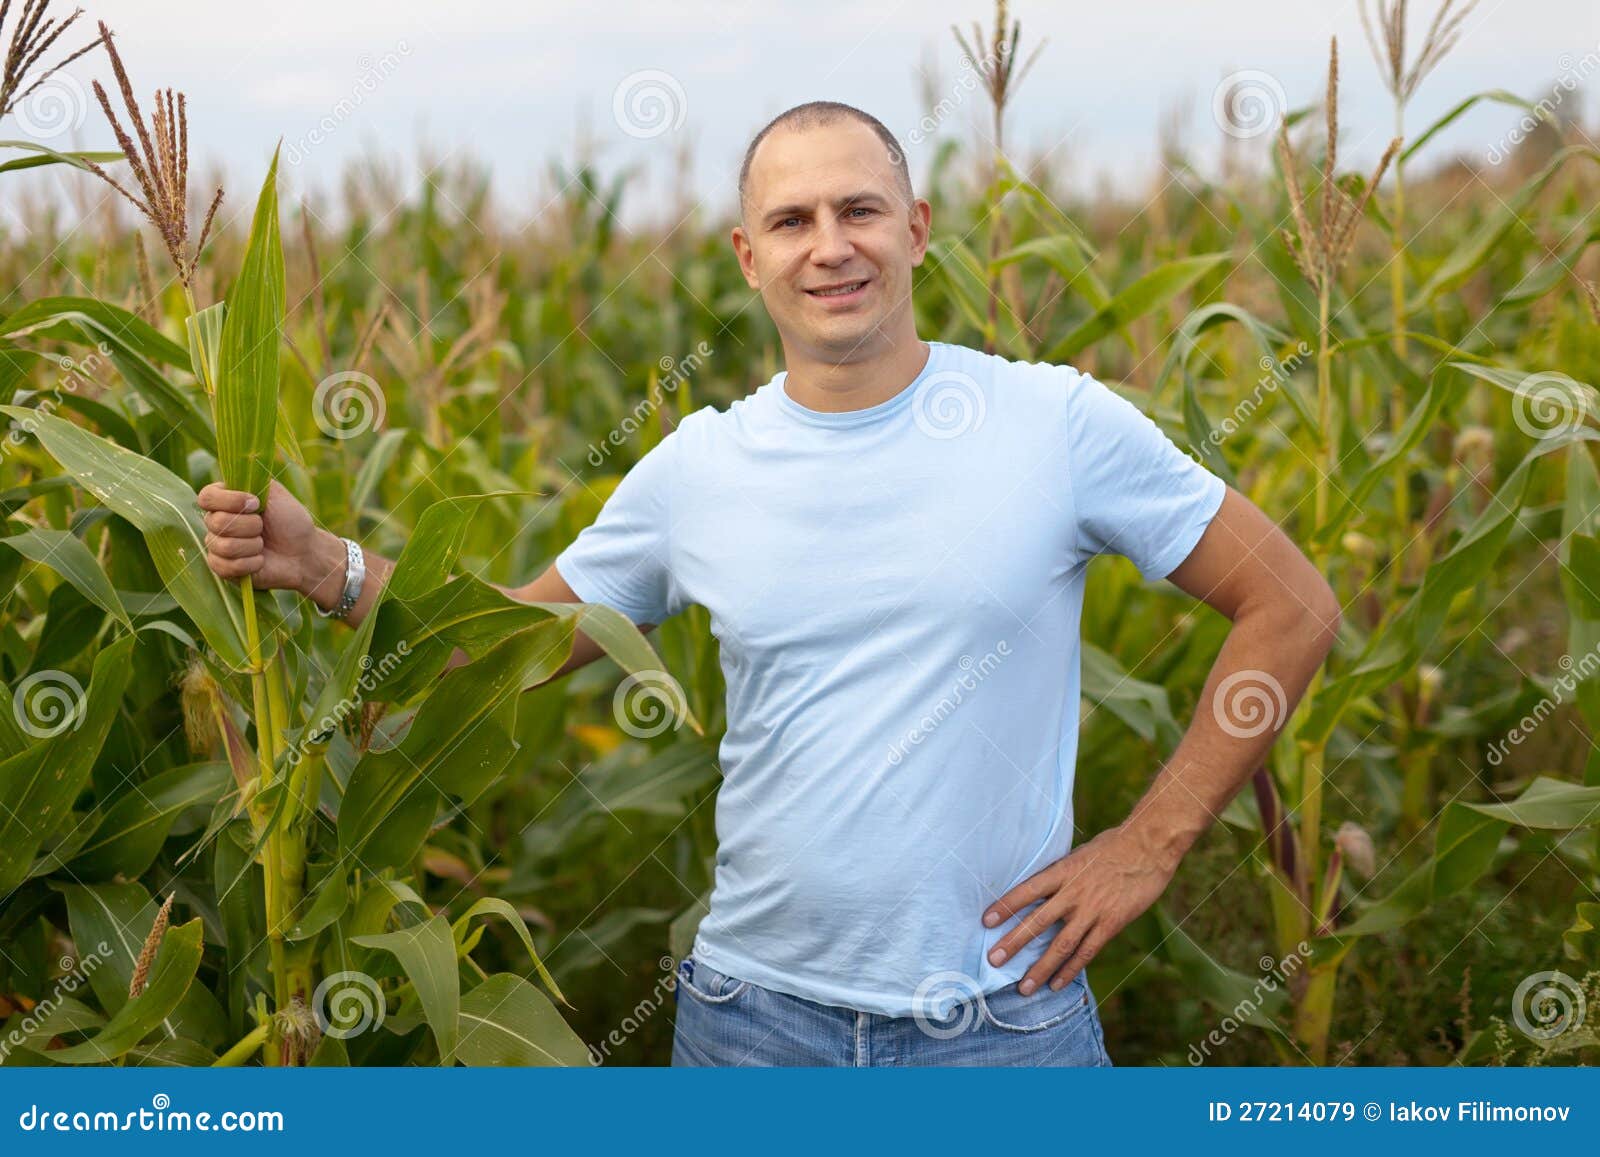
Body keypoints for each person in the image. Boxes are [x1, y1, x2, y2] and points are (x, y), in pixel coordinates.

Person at [199, 100, 1340, 1067]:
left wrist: (1150, 840)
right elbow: (514, 641)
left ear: (917, 230)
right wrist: (322, 566)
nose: (828, 246)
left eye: (859, 210)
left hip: (1004, 1027)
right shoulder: (701, 464)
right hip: (752, 1022)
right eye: (791, 220)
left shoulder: (1056, 421)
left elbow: (1290, 605)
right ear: (749, 256)